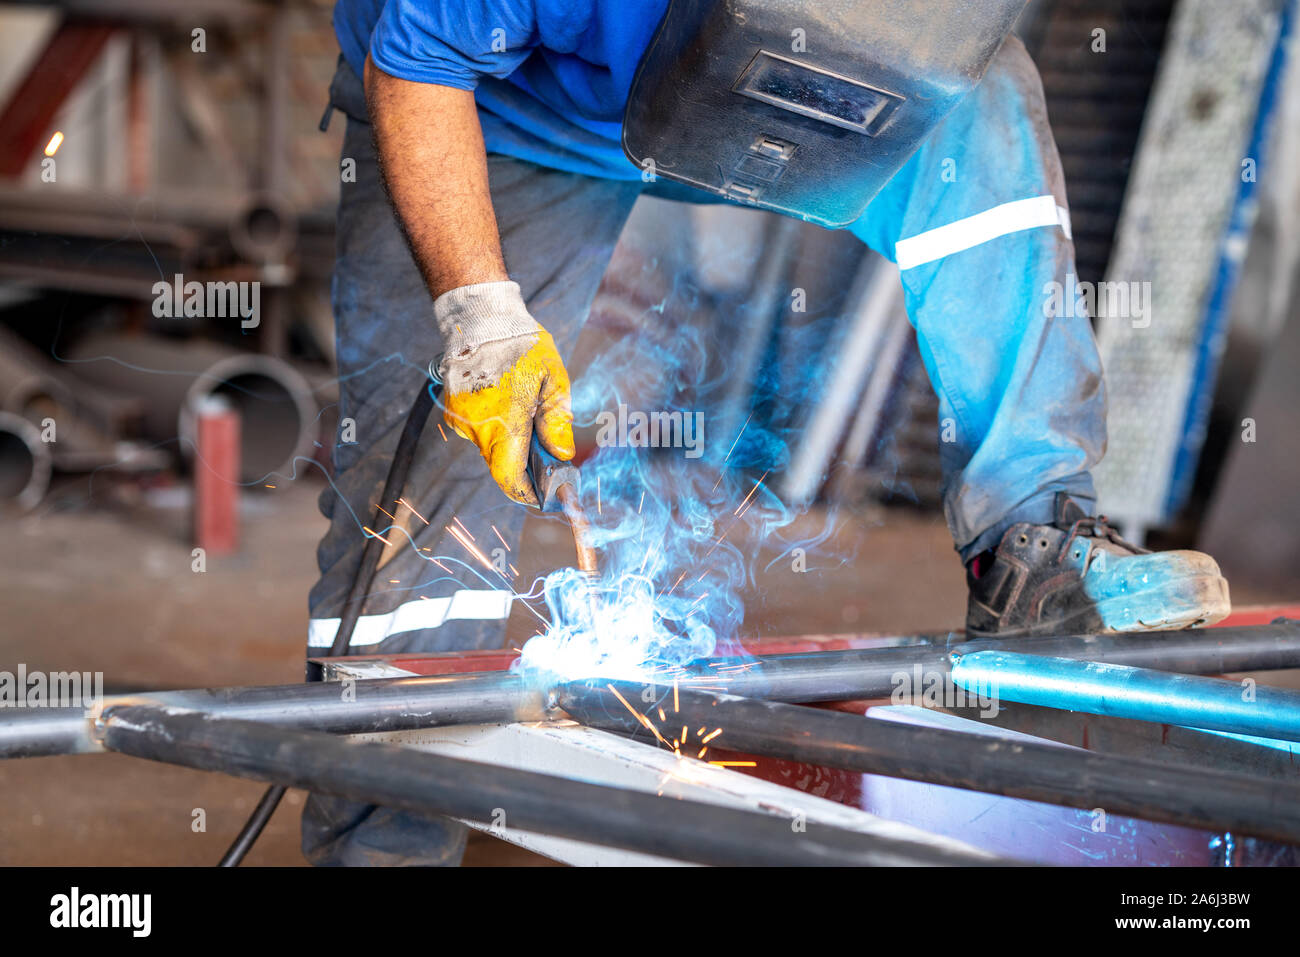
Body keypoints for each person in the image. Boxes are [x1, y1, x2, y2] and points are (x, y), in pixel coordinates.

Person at [303, 0, 1230, 865]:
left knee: (985, 98)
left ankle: (1034, 542)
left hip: (756, 87)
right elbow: (422, 64)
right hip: (501, 113)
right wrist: (483, 319)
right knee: (423, 509)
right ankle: (379, 844)